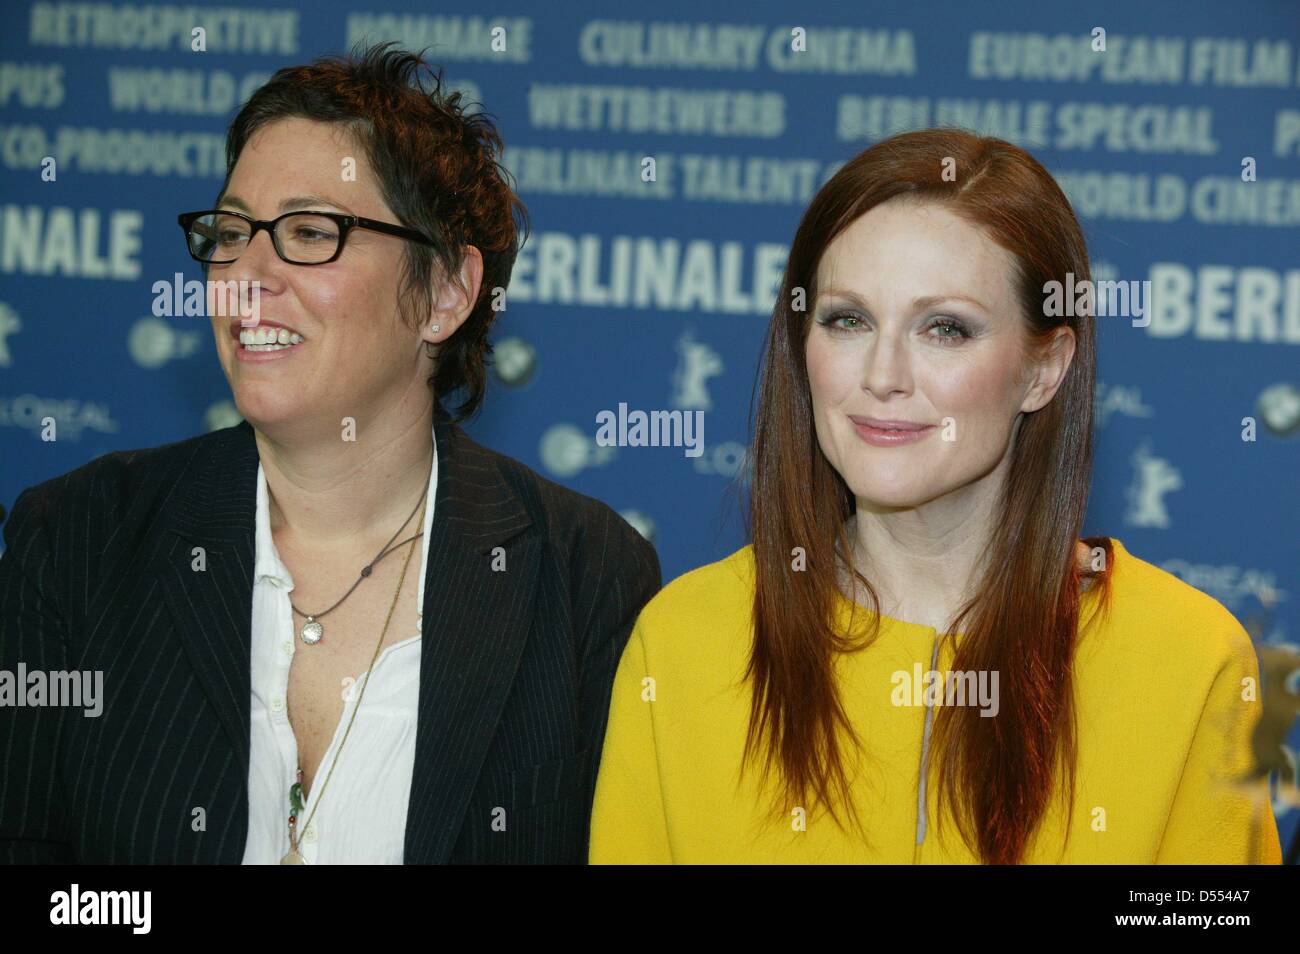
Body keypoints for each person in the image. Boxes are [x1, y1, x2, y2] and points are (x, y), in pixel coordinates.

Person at [0, 43, 660, 864]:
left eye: (310, 232)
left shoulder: (586, 575)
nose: (246, 274)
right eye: (231, 232)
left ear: (448, 291)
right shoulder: (77, 538)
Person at [590, 128, 1282, 864]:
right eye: (847, 319)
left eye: (944, 329)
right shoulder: (685, 641)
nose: (883, 374)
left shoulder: (1187, 658)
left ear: (1044, 369)